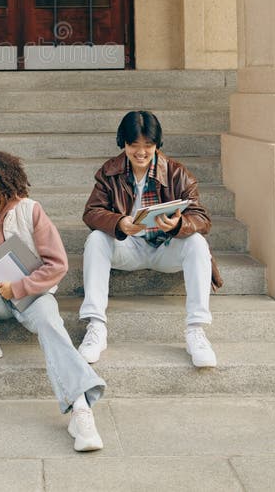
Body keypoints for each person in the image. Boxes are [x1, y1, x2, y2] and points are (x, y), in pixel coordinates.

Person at [0, 150, 106, 452]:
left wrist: (19, 287)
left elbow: (57, 265)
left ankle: (81, 409)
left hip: (34, 295)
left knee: (52, 326)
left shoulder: (31, 210)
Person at [78, 111, 222, 369]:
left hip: (166, 248)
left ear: (158, 145)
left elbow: (201, 218)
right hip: (128, 247)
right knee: (97, 240)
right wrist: (119, 222)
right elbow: (92, 213)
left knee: (198, 243)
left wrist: (179, 224)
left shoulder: (178, 173)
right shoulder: (109, 171)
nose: (141, 152)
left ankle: (196, 330)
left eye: (148, 145)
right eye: (134, 145)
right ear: (123, 143)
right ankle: (96, 326)